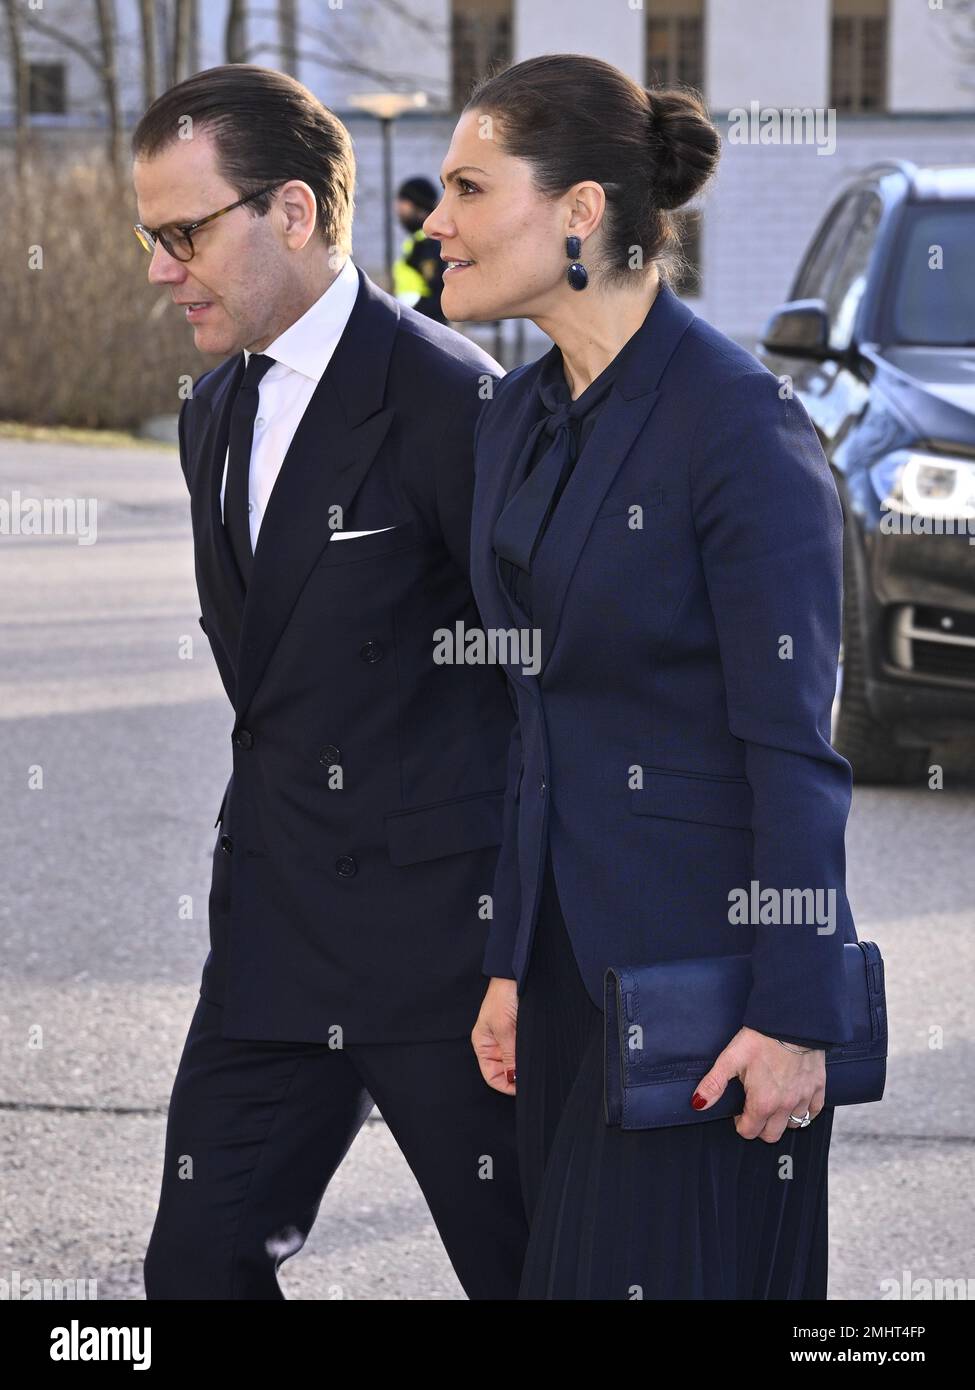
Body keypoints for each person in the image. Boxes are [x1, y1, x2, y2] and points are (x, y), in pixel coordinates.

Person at [424, 53, 859, 1300]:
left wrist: (794, 1013)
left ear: (579, 212)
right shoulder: (512, 416)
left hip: (707, 1001)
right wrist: (513, 959)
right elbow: (533, 719)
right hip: (566, 986)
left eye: (467, 186)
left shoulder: (738, 423)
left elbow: (796, 748)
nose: (435, 221)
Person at [131, 64, 527, 1300]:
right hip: (272, 939)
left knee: (534, 1273)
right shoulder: (213, 409)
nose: (160, 269)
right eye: (152, 239)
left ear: (292, 213)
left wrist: (519, 953)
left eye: (183, 233)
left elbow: (544, 687)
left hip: (441, 961)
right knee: (194, 1271)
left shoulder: (456, 402)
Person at [392, 176, 446, 322]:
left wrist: (409, 319)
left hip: (421, 326)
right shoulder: (417, 242)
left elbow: (437, 297)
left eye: (404, 206)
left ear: (420, 208)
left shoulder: (430, 245)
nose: (399, 212)